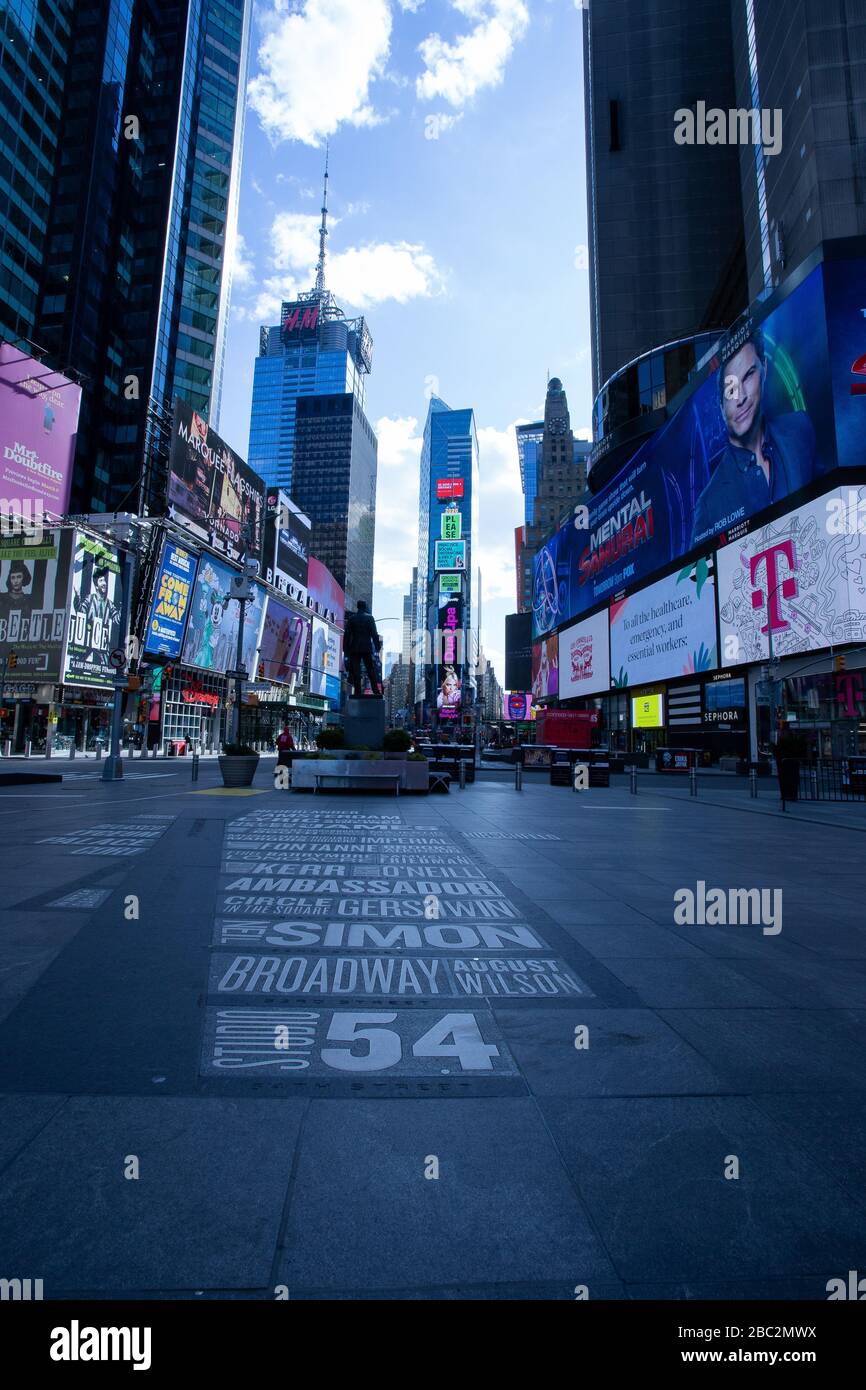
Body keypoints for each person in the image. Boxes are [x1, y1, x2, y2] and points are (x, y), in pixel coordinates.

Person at [691, 328, 819, 548]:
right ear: (721, 405)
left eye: (749, 375)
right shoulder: (709, 505)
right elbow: (701, 577)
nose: (740, 398)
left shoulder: (800, 429)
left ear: (765, 371)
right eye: (730, 389)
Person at [344, 599, 382, 698]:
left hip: (354, 648)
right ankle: (376, 691)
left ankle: (357, 691)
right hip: (366, 648)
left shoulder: (352, 619)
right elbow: (374, 634)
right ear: (364, 607)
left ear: (357, 607)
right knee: (371, 670)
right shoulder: (370, 618)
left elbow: (346, 636)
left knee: (356, 671)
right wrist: (377, 647)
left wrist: (346, 650)